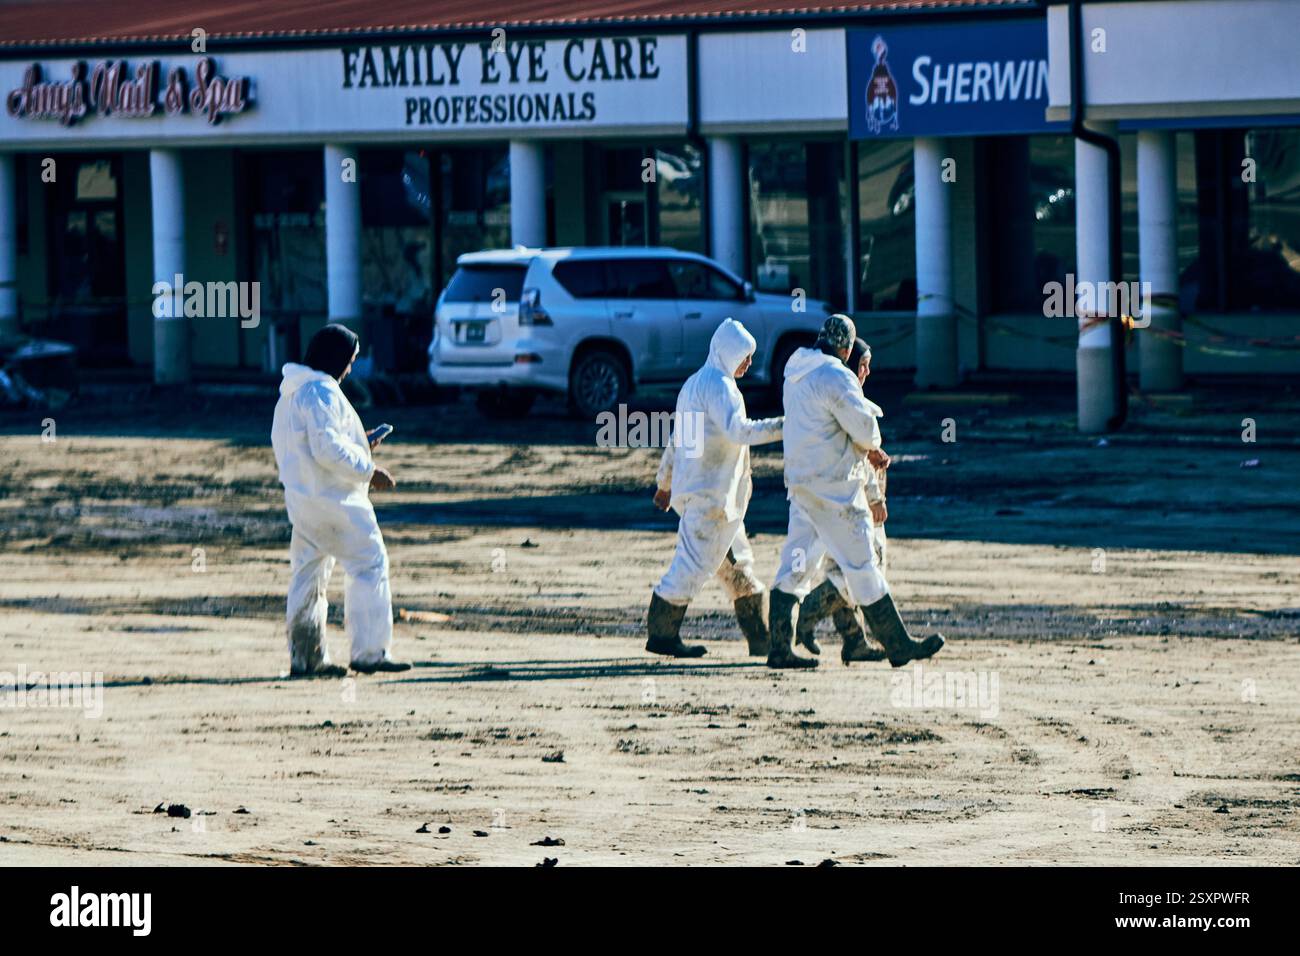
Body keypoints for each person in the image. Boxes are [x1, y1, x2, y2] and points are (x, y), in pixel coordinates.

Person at [768, 314, 944, 669]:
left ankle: (779, 648)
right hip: (833, 488)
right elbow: (864, 428)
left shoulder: (795, 368)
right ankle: (897, 645)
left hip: (801, 484)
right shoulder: (836, 375)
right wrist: (874, 446)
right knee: (863, 563)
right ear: (846, 348)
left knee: (795, 564)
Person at [270, 324, 410, 677]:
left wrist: (360, 441)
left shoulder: (290, 395)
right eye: (350, 360)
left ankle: (306, 658)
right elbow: (327, 450)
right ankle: (369, 652)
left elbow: (311, 444)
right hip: (336, 500)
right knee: (369, 563)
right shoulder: (321, 391)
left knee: (308, 575)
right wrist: (369, 469)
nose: (350, 368)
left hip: (302, 503)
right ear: (337, 358)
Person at [648, 319, 784, 658]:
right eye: (745, 355)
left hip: (707, 499)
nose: (749, 363)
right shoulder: (721, 387)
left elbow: (680, 442)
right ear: (729, 352)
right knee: (691, 567)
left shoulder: (694, 384)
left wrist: (665, 484)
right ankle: (662, 635)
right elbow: (739, 431)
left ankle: (760, 640)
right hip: (713, 501)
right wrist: (786, 425)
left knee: (740, 569)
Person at [795, 337, 889, 663]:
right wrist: (876, 497)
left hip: (830, 497)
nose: (866, 372)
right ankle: (807, 614)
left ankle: (854, 639)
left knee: (843, 567)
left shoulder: (835, 397)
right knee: (861, 569)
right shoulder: (848, 403)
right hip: (852, 499)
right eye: (862, 366)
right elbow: (857, 459)